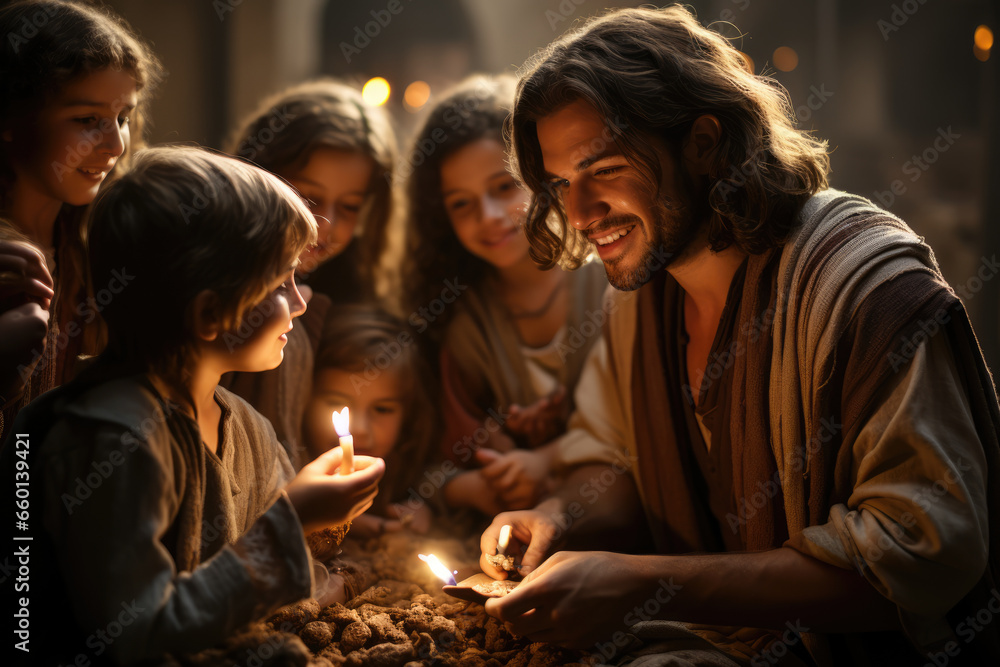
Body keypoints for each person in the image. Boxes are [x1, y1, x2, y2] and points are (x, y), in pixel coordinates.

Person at [477, 6, 1000, 666]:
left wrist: (647, 585)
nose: (579, 214)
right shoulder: (639, 298)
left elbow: (924, 554)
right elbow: (615, 461)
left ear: (703, 141)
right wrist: (555, 518)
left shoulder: (866, 291)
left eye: (604, 169)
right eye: (560, 184)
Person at [0, 146, 385, 665]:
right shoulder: (112, 440)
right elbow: (136, 636)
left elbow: (257, 575)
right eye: (280, 283)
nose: (302, 301)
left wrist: (321, 520)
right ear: (209, 313)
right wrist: (294, 519)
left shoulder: (246, 426)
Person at [402, 75, 608, 518]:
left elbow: (637, 427)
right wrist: (490, 471)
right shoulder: (458, 322)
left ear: (544, 176)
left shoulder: (609, 279)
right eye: (461, 204)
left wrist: (548, 456)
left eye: (503, 187)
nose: (489, 218)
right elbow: (435, 459)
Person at [0, 0, 162, 443]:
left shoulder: (104, 250)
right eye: (87, 120)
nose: (114, 144)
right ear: (10, 118)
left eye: (123, 118)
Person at [227, 78, 398, 306]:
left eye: (350, 207)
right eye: (309, 198)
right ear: (257, 175)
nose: (326, 223)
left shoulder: (359, 302)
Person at [302, 304, 438, 539]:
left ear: (408, 414)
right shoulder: (284, 469)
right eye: (337, 403)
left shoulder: (406, 467)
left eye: (382, 409)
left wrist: (420, 511)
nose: (359, 429)